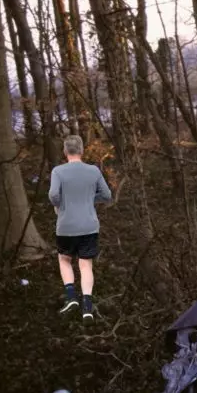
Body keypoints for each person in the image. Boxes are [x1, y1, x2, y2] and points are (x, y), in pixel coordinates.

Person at [49, 134, 112, 320]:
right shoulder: (93, 171)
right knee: (85, 265)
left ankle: (71, 297)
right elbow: (107, 195)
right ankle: (87, 307)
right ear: (82, 150)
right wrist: (90, 199)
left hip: (66, 224)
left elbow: (53, 195)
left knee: (64, 259)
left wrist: (61, 204)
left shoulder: (58, 171)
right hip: (89, 225)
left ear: (65, 151)